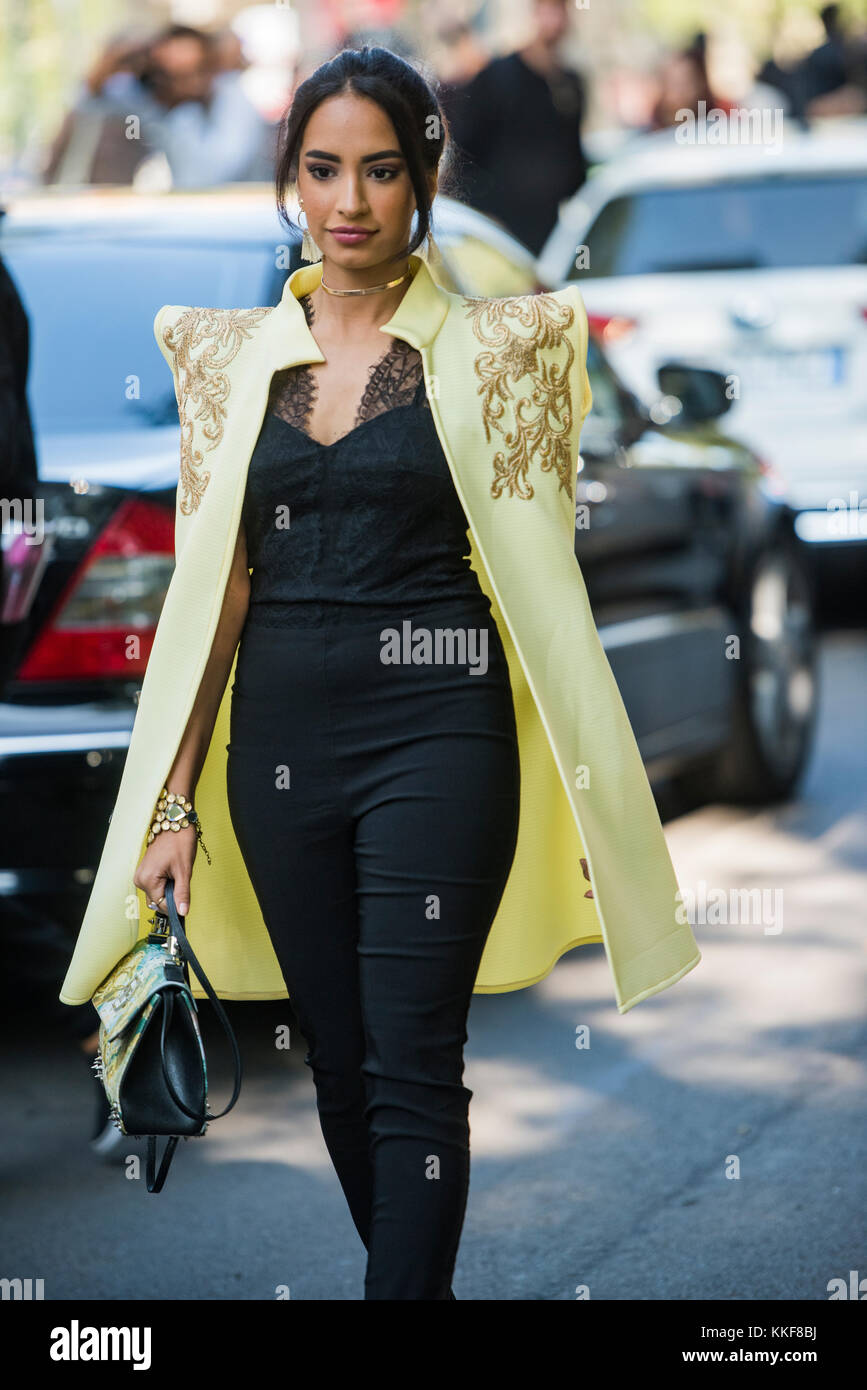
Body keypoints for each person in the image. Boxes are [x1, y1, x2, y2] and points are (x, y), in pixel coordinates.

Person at [61, 44, 701, 1298]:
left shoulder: (508, 349)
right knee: (344, 1072)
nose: (348, 202)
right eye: (322, 169)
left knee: (413, 1065)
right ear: (291, 177)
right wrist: (176, 801)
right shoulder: (224, 359)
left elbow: (537, 561)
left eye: (380, 171)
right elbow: (216, 592)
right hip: (282, 748)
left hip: (439, 734)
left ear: (423, 178)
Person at [446, 0, 588, 255]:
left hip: (549, 229)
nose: (554, 20)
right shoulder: (499, 77)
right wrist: (483, 213)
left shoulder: (569, 83)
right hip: (500, 229)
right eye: (547, 9)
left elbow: (573, 159)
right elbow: (464, 149)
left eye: (560, 10)